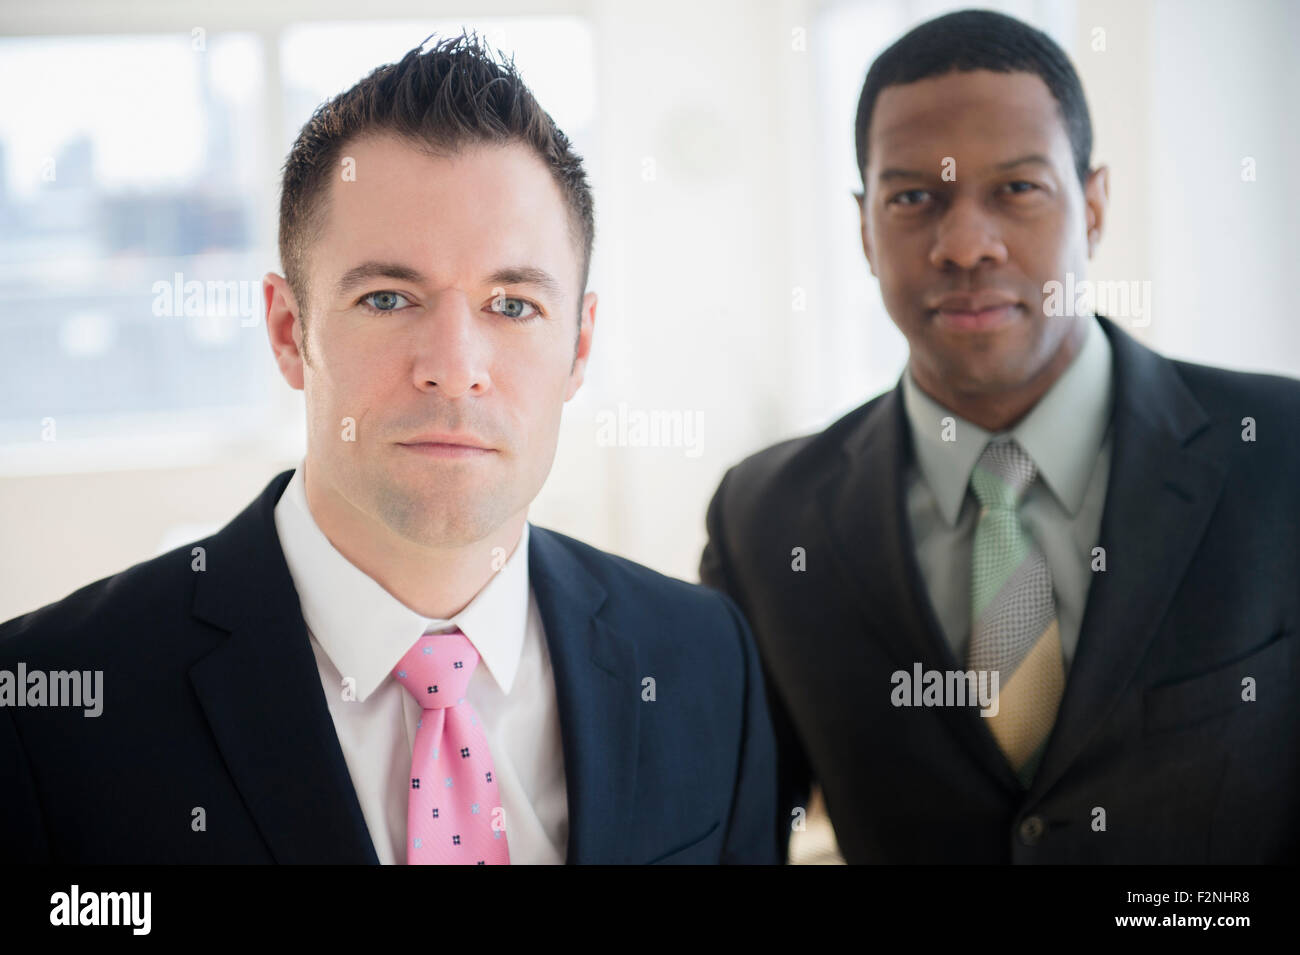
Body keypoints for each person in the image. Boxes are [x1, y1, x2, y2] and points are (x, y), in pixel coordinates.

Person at [0, 32, 778, 865]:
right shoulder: (48, 707)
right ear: (289, 330)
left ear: (581, 349)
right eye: (387, 297)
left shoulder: (703, 657)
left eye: (512, 305)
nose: (453, 368)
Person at [700, 9, 1299, 863]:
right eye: (914, 198)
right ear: (865, 227)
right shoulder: (765, 521)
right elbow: (736, 833)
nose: (966, 244)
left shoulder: (1279, 456)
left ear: (1093, 206)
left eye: (1017, 189)